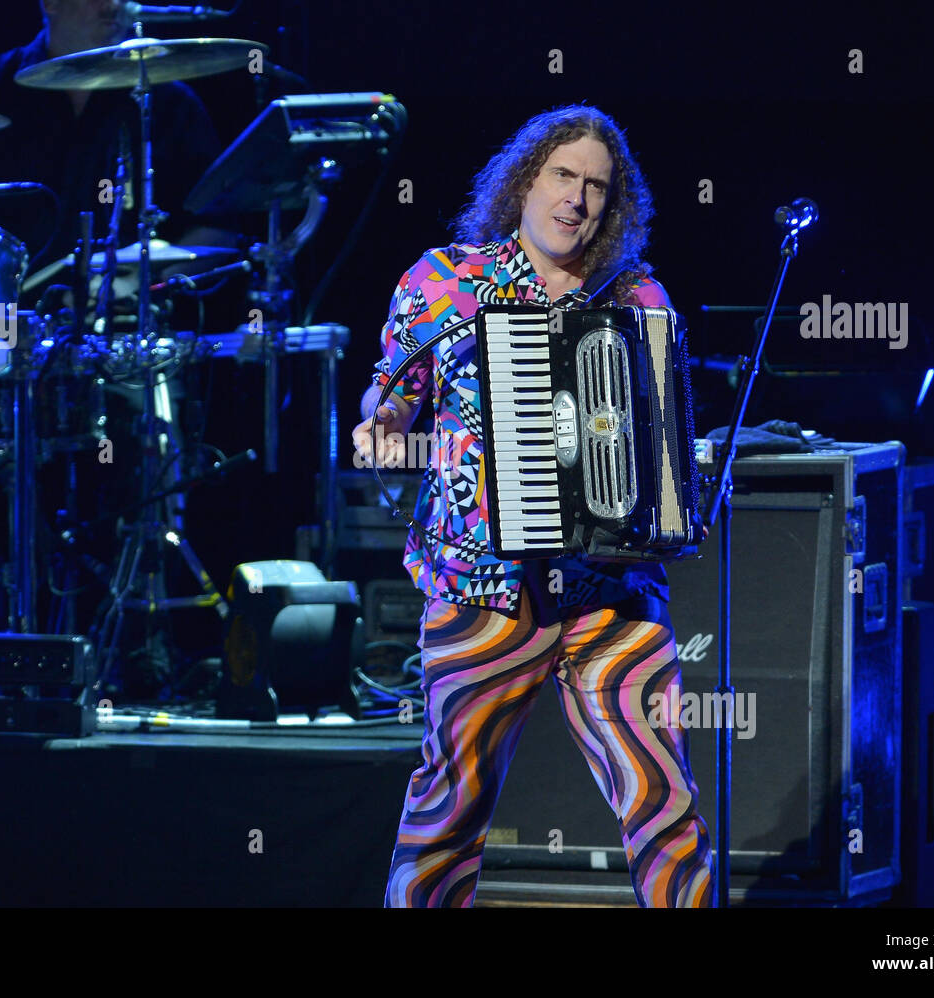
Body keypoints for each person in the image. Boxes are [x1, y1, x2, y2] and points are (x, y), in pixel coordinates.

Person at [351, 104, 714, 908]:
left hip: (609, 596)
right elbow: (394, 396)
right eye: (562, 175)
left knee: (666, 810)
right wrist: (381, 424)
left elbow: (658, 432)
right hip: (482, 593)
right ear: (523, 182)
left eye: (595, 187)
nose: (576, 199)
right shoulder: (445, 279)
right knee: (449, 813)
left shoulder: (637, 295)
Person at [0, 0, 225, 276]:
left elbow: (217, 225)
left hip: (126, 332)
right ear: (51, 3)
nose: (113, 5)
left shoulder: (170, 103)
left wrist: (147, 289)